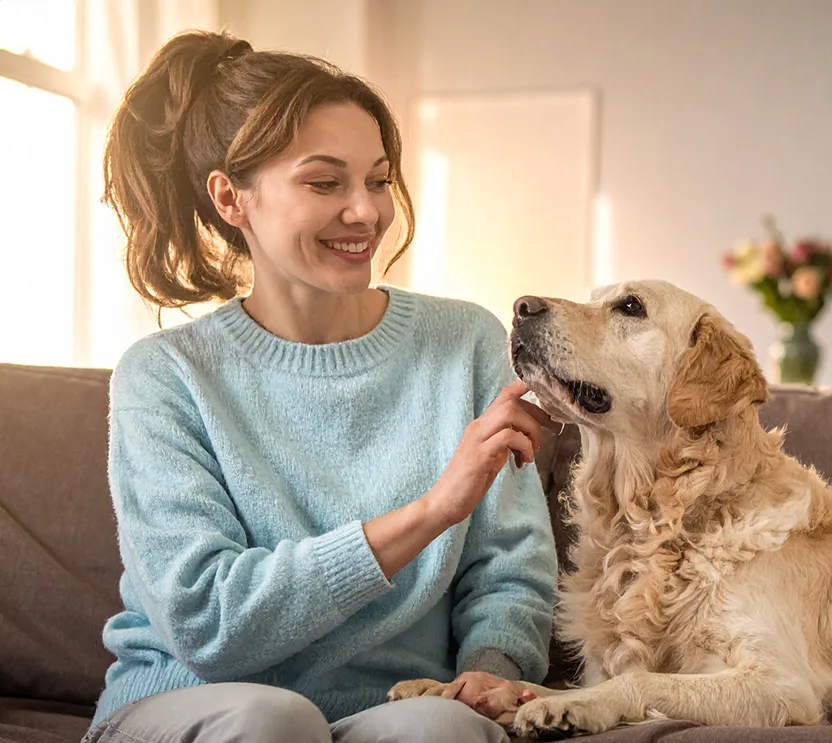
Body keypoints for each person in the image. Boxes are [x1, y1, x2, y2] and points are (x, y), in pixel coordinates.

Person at [81, 29, 559, 743]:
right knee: (272, 719)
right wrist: (431, 511)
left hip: (390, 704)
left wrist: (491, 668)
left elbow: (508, 564)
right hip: (200, 702)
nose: (365, 211)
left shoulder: (463, 344)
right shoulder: (165, 375)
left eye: (378, 178)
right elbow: (210, 624)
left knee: (440, 729)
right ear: (231, 199)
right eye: (324, 182)